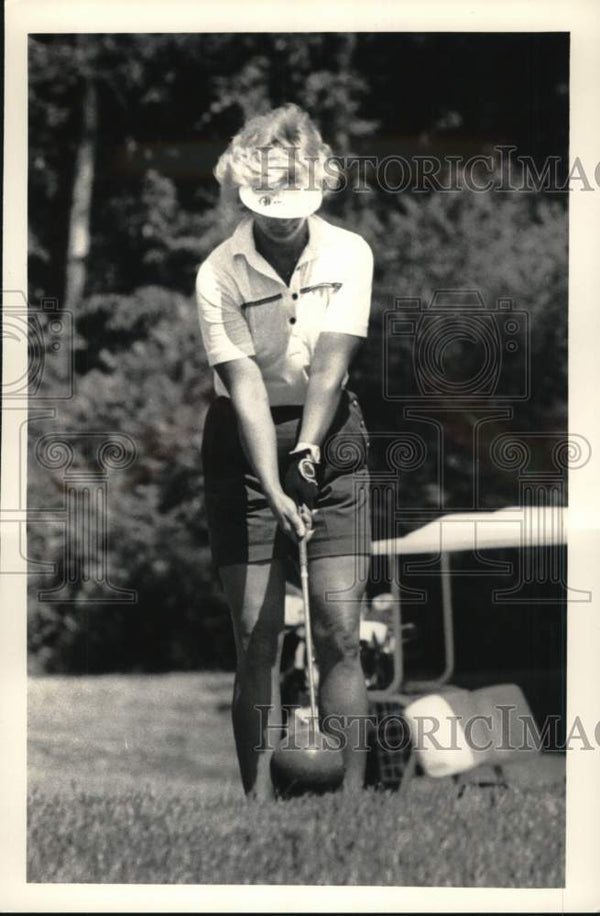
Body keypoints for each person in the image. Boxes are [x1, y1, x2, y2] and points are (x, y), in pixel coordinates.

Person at [196, 103, 374, 799]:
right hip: (241, 446)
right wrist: (272, 483)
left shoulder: (349, 253)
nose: (278, 218)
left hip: (332, 438)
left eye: (291, 200)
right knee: (256, 637)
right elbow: (242, 384)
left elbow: (330, 367)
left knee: (340, 631)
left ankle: (350, 806)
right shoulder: (219, 272)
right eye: (264, 200)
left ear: (318, 186)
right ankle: (258, 808)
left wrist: (307, 449)